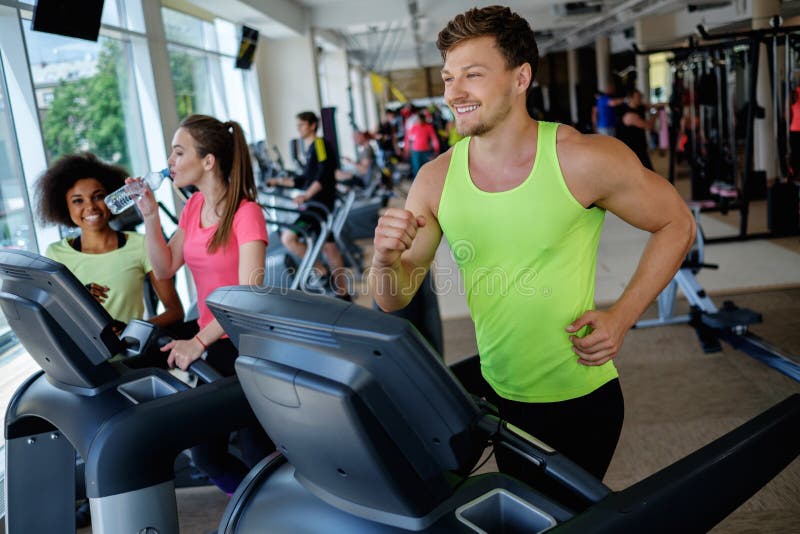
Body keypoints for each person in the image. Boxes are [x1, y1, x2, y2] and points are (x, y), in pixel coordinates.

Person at [370, 5, 695, 506]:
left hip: (579, 400)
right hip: (498, 390)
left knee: (557, 519)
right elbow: (394, 299)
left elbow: (677, 222)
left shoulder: (582, 158)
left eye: (472, 75)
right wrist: (383, 262)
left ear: (521, 77)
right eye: (448, 77)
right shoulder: (434, 179)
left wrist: (623, 317)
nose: (454, 92)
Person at [132, 114, 273, 494]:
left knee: (258, 450)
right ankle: (256, 512)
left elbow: (248, 300)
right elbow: (164, 266)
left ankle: (271, 513)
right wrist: (148, 216)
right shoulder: (193, 208)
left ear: (208, 161)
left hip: (248, 346)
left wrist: (198, 342)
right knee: (206, 455)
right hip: (215, 343)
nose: (170, 162)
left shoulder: (247, 214)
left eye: (179, 152)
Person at [36, 152, 184, 335]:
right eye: (78, 201)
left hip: (129, 358)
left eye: (98, 197)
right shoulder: (55, 254)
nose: (90, 207)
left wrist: (132, 331)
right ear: (64, 206)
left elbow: (175, 312)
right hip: (80, 359)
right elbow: (50, 318)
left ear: (112, 198)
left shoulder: (141, 245)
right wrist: (79, 299)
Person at [269, 111, 349, 299]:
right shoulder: (311, 148)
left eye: (301, 125)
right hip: (317, 203)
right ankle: (343, 293)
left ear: (312, 125)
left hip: (318, 205)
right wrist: (278, 182)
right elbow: (305, 179)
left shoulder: (319, 145)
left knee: (289, 238)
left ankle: (322, 274)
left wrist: (306, 195)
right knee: (329, 247)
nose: (298, 129)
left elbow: (322, 174)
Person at [615, 89, 655, 170]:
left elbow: (650, 106)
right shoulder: (630, 115)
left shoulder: (639, 107)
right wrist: (655, 116)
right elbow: (649, 126)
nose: (640, 99)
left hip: (640, 146)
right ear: (631, 98)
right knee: (647, 172)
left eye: (641, 97)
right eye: (638, 97)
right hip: (632, 149)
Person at [404, 109, 441, 177]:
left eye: (420, 120)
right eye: (418, 120)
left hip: (426, 151)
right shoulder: (414, 127)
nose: (419, 121)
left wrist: (436, 148)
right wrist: (406, 149)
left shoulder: (428, 127)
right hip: (416, 151)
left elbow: (434, 138)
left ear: (424, 119)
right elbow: (408, 139)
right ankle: (417, 184)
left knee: (426, 167)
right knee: (416, 168)